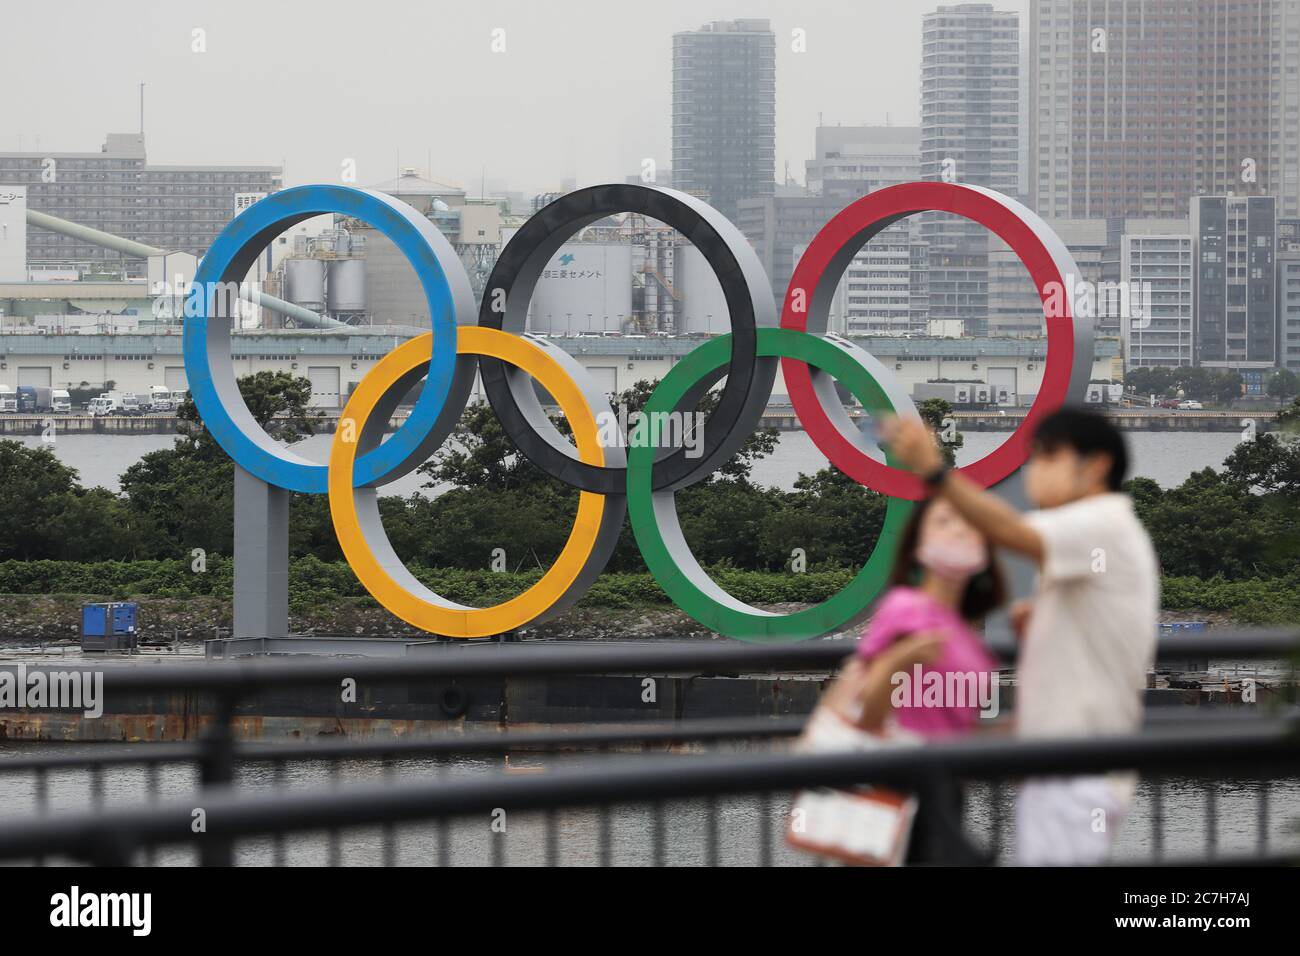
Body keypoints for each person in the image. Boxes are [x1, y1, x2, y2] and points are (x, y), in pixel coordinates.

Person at [881, 407, 1158, 866]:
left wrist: (934, 472)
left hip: (1075, 771)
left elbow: (1010, 532)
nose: (1034, 472)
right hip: (1066, 764)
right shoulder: (1097, 539)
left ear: (1096, 465)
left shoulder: (1101, 524)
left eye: (1048, 457)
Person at [817, 494, 1005, 864]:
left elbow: (957, 723)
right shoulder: (904, 608)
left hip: (946, 787)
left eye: (969, 523)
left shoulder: (967, 637)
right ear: (919, 546)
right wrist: (899, 659)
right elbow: (867, 710)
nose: (958, 530)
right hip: (898, 785)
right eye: (943, 521)